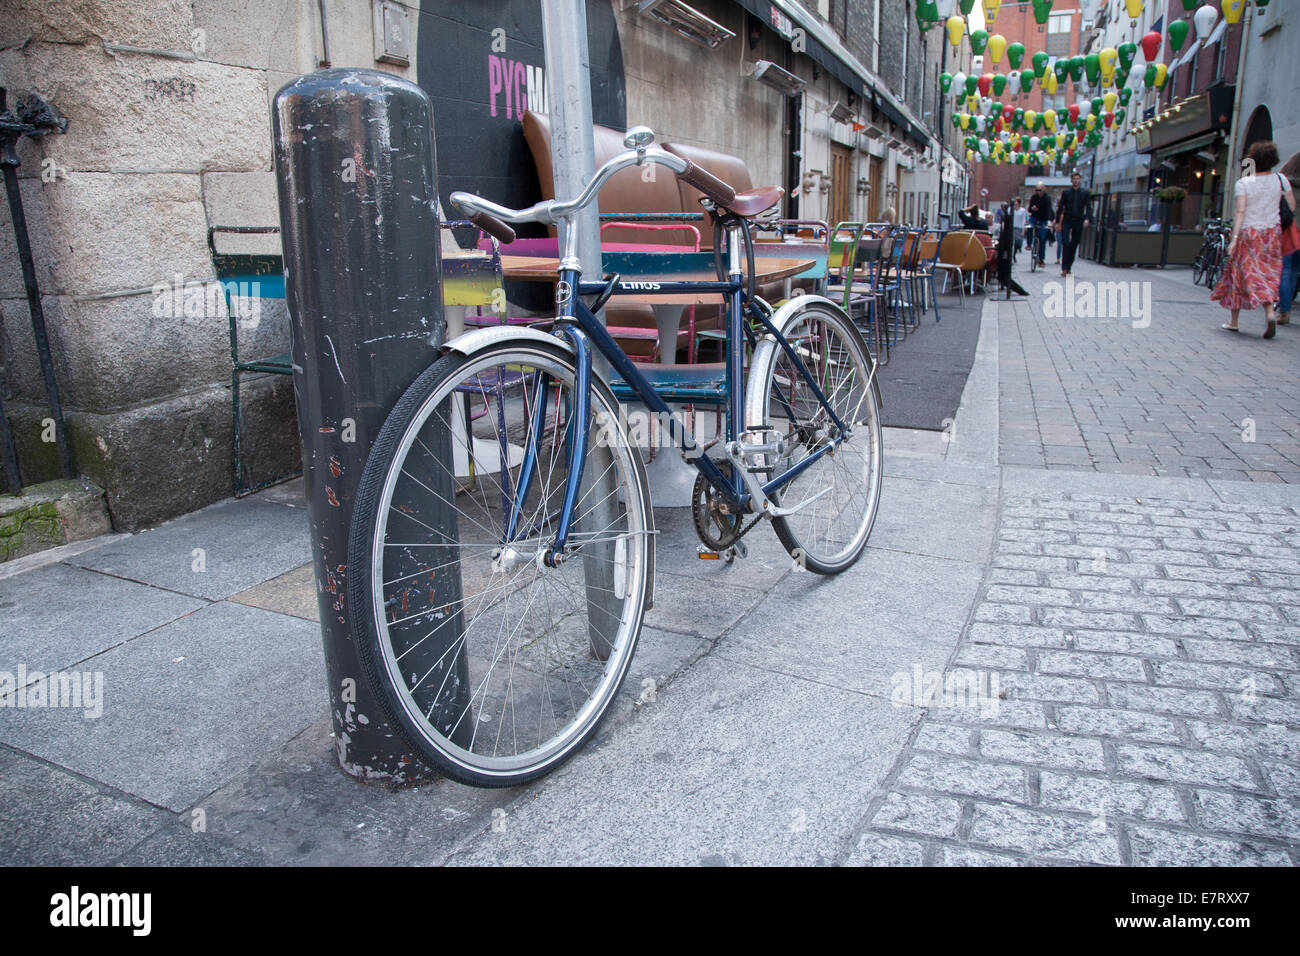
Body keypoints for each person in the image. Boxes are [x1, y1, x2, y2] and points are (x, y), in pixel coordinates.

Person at [1213, 140, 1296, 338]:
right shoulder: (1281, 180)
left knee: (1239, 274)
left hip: (1249, 233)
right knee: (1266, 273)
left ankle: (1234, 321)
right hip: (1272, 234)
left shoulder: (1244, 183)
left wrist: (1234, 238)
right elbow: (1291, 206)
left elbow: (1240, 210)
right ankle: (1269, 312)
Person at [1055, 171, 1091, 277]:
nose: (1076, 181)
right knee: (1065, 243)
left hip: (1079, 220)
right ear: (1071, 181)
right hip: (1067, 220)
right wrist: (1057, 222)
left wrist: (1087, 219)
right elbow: (1060, 207)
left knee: (1074, 244)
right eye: (1074, 179)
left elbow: (1088, 207)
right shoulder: (1066, 193)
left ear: (1080, 180)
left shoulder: (1085, 193)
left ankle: (1068, 267)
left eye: (1078, 179)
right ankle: (1064, 268)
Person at [996, 201, 1030, 297]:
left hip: (1014, 232)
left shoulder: (1013, 213)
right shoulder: (1009, 214)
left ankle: (1017, 290)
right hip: (1008, 237)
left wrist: (1023, 229)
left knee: (1018, 244)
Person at [1026, 181, 1054, 268]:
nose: (1038, 192)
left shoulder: (1047, 198)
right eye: (1036, 190)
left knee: (1042, 238)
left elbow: (1049, 209)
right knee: (1029, 227)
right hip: (1034, 217)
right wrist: (1032, 208)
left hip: (1043, 219)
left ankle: (1041, 259)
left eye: (1040, 190)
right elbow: (1029, 209)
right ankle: (1029, 244)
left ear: (1044, 189)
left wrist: (1049, 220)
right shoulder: (1034, 197)